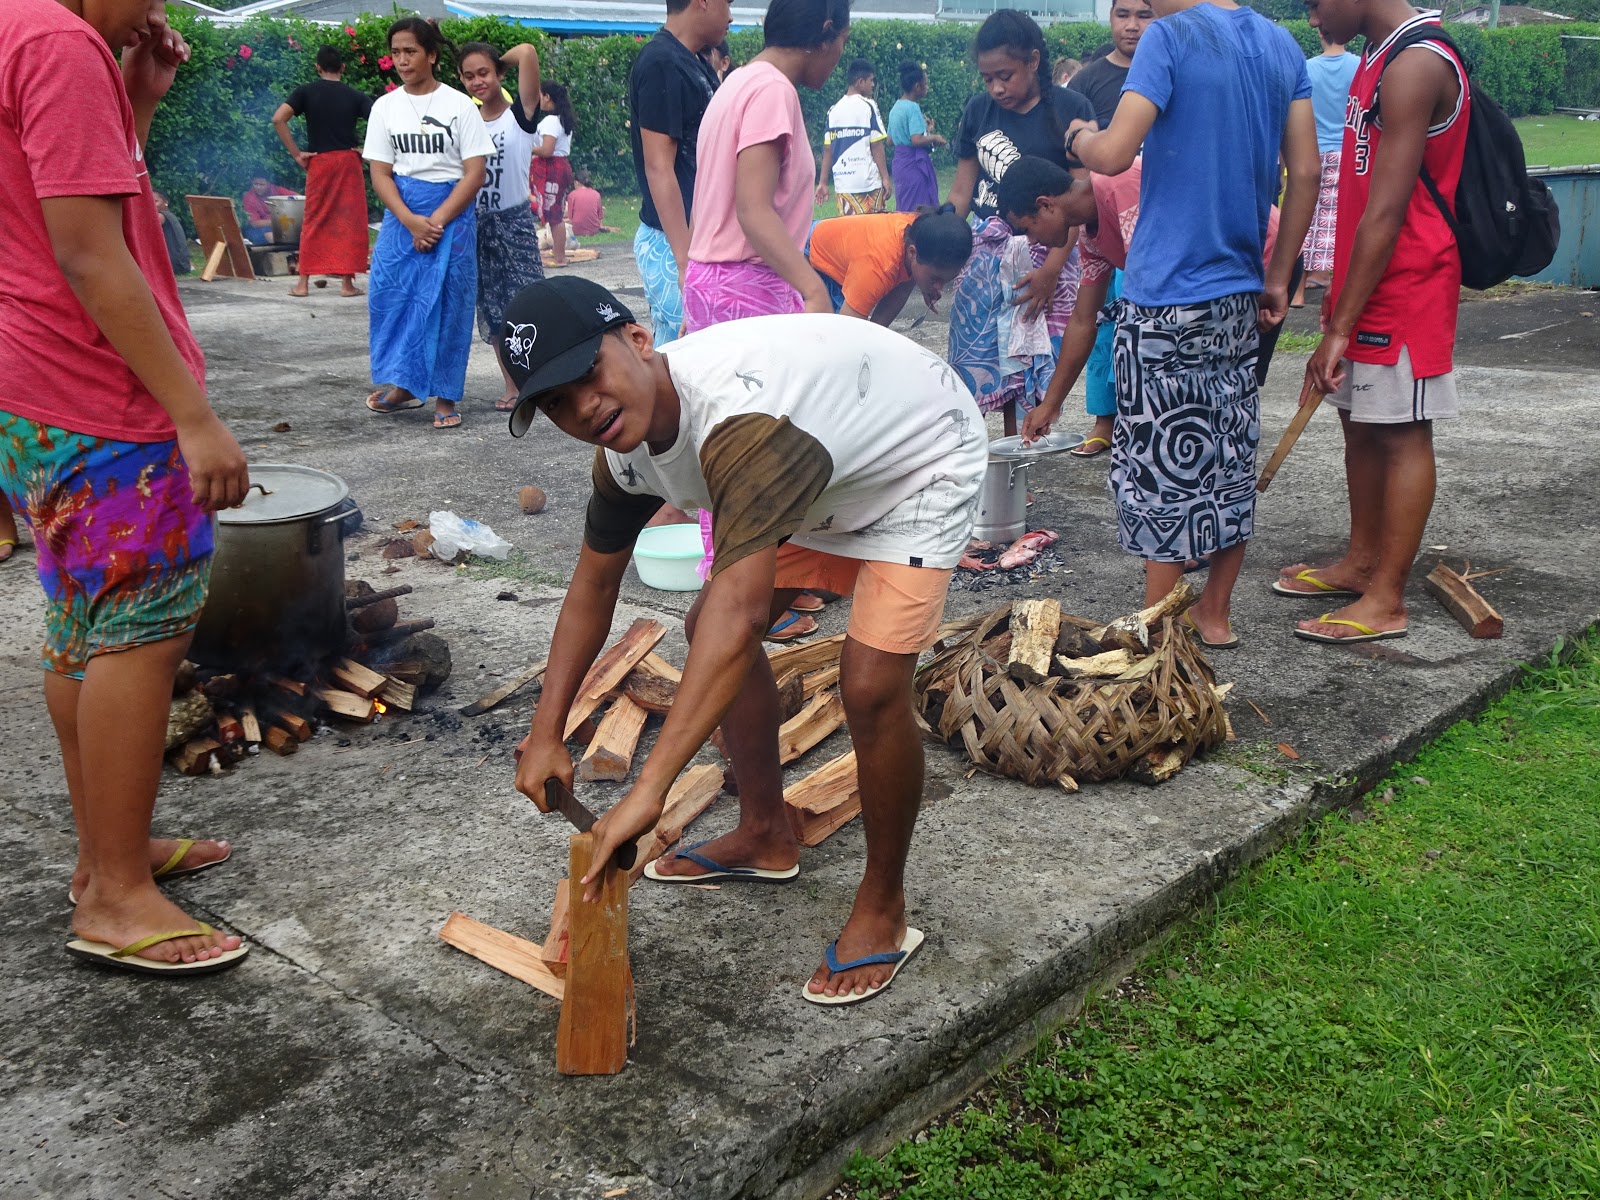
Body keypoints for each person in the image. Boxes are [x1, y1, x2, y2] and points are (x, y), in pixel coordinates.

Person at [502, 277, 986, 1004]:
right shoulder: (623, 454)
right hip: (822, 469)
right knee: (703, 627)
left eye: (586, 376)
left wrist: (650, 794)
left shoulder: (740, 419)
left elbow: (744, 617)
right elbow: (592, 590)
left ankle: (885, 907)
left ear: (638, 341)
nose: (583, 409)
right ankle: (766, 833)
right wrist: (546, 734)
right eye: (555, 405)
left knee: (869, 683)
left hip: (918, 459)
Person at [0, 0, 251, 974]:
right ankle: (114, 898)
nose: (156, 8)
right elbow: (89, 252)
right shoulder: (59, 41)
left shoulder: (27, 31)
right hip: (100, 398)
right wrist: (192, 416)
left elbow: (71, 209)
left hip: (37, 393)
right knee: (143, 638)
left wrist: (137, 104)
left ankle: (108, 852)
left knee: (84, 632)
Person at [1064, 0, 1318, 650]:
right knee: (1226, 450)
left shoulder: (1170, 40)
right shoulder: (1281, 45)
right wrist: (1279, 275)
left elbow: (1116, 154)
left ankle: (1159, 628)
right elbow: (1307, 173)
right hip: (1238, 288)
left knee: (1161, 462)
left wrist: (1077, 139)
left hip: (1164, 293)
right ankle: (1216, 613)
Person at [1286, 0, 1469, 646]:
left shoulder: (1417, 60)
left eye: (1313, 3)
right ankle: (1362, 562)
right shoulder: (1375, 56)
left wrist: (1337, 326)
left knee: (1401, 433)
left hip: (1411, 280)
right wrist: (1339, 312)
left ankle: (1387, 596)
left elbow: (1389, 211)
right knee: (1358, 422)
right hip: (1364, 279)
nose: (1311, 16)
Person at [682, 0, 850, 641]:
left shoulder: (738, 81)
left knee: (726, 442)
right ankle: (739, 600)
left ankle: (741, 589)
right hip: (747, 282)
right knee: (756, 452)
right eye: (843, 40)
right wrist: (812, 287)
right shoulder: (772, 90)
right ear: (827, 33)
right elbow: (755, 211)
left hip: (718, 277)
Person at [1001, 156, 1292, 439]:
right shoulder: (1091, 234)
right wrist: (1050, 404)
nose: (1032, 241)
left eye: (1027, 229)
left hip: (1261, 261)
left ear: (1045, 205)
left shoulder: (1120, 184)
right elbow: (1083, 320)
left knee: (1218, 402)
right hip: (1210, 284)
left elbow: (1159, 298)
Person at [946, 11, 1095, 437]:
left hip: (1050, 249)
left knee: (1030, 361)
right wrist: (946, 248)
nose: (996, 88)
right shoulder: (978, 112)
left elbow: (1078, 201)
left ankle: (1021, 456)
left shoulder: (1069, 109)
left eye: (1005, 75)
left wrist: (1051, 269)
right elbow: (960, 192)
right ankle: (986, 456)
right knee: (984, 360)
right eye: (987, 77)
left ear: (1033, 61)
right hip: (987, 252)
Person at [362, 17, 491, 430]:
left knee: (451, 303)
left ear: (431, 55)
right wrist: (409, 220)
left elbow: (475, 173)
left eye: (410, 51)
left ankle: (445, 396)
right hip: (402, 216)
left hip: (451, 216)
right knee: (391, 298)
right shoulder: (385, 107)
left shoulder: (458, 106)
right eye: (396, 52)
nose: (401, 60)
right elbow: (380, 172)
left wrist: (435, 221)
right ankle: (403, 386)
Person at [627, 0, 729, 349]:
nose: (730, 15)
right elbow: (659, 166)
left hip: (694, 241)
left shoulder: (692, 61)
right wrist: (686, 265)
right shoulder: (661, 62)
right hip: (673, 242)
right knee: (684, 360)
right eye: (727, 3)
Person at [459, 40, 545, 413]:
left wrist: (500, 64)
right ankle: (512, 384)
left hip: (515, 222)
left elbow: (526, 51)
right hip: (478, 225)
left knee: (530, 303)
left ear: (498, 74)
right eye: (469, 75)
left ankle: (542, 379)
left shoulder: (521, 116)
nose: (478, 82)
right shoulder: (466, 121)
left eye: (485, 73)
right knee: (493, 312)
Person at [273, 44, 374, 298]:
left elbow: (278, 118)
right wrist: (367, 149)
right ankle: (347, 285)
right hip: (348, 162)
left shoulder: (306, 92)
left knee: (314, 218)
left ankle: (303, 284)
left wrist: (297, 154)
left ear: (317, 67)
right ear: (343, 68)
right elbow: (382, 119)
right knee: (348, 221)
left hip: (319, 162)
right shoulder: (355, 95)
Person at [1292, 26, 1360, 308]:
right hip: (1349, 153)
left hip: (1313, 153)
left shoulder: (1307, 68)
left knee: (1304, 219)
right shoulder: (1359, 66)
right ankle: (1336, 285)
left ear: (1320, 34)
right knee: (1343, 221)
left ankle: (1296, 293)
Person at [806, 207, 972, 321]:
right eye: (935, 279)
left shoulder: (919, 234)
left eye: (945, 281)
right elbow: (846, 330)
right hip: (809, 256)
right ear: (912, 253)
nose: (939, 288)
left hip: (839, 252)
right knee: (821, 338)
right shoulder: (878, 267)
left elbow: (902, 288)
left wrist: (927, 284)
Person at [816, 58, 891, 215]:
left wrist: (822, 182)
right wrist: (885, 177)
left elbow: (828, 149)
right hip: (869, 184)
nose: (872, 85)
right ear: (860, 82)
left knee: (850, 234)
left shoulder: (833, 110)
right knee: (873, 233)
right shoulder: (869, 106)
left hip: (844, 186)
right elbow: (876, 145)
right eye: (871, 80)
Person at [1067, 0, 1154, 129]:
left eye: (1144, 16)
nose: (1132, 26)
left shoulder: (1176, 77)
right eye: (1123, 15)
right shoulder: (1083, 83)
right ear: (1111, 16)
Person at [887, 61, 945, 213]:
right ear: (917, 87)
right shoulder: (913, 107)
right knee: (919, 209)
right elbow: (916, 139)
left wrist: (926, 131)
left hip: (900, 164)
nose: (927, 87)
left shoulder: (896, 107)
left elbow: (890, 140)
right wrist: (934, 137)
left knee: (904, 206)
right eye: (925, 84)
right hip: (914, 164)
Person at [530, 81, 575, 267]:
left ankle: (559, 257)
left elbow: (547, 150)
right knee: (555, 212)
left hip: (552, 169)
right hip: (561, 167)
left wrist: (529, 148)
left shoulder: (550, 121)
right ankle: (559, 254)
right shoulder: (563, 120)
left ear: (547, 97)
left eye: (540, 95)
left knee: (554, 215)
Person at [240, 172, 294, 245]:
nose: (258, 187)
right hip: (257, 230)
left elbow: (298, 197)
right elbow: (254, 223)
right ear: (252, 183)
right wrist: (278, 222)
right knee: (269, 235)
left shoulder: (276, 190)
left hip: (281, 225)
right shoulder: (249, 198)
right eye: (256, 184)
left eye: (262, 185)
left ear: (268, 184)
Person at [153, 190, 191, 276]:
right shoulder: (171, 216)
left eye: (155, 201)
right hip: (181, 263)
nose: (151, 204)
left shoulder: (161, 216)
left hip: (173, 265)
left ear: (165, 202)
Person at [567, 169, 610, 237]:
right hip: (594, 230)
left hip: (576, 230)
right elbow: (600, 216)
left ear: (577, 182)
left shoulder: (572, 195)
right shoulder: (596, 194)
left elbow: (570, 218)